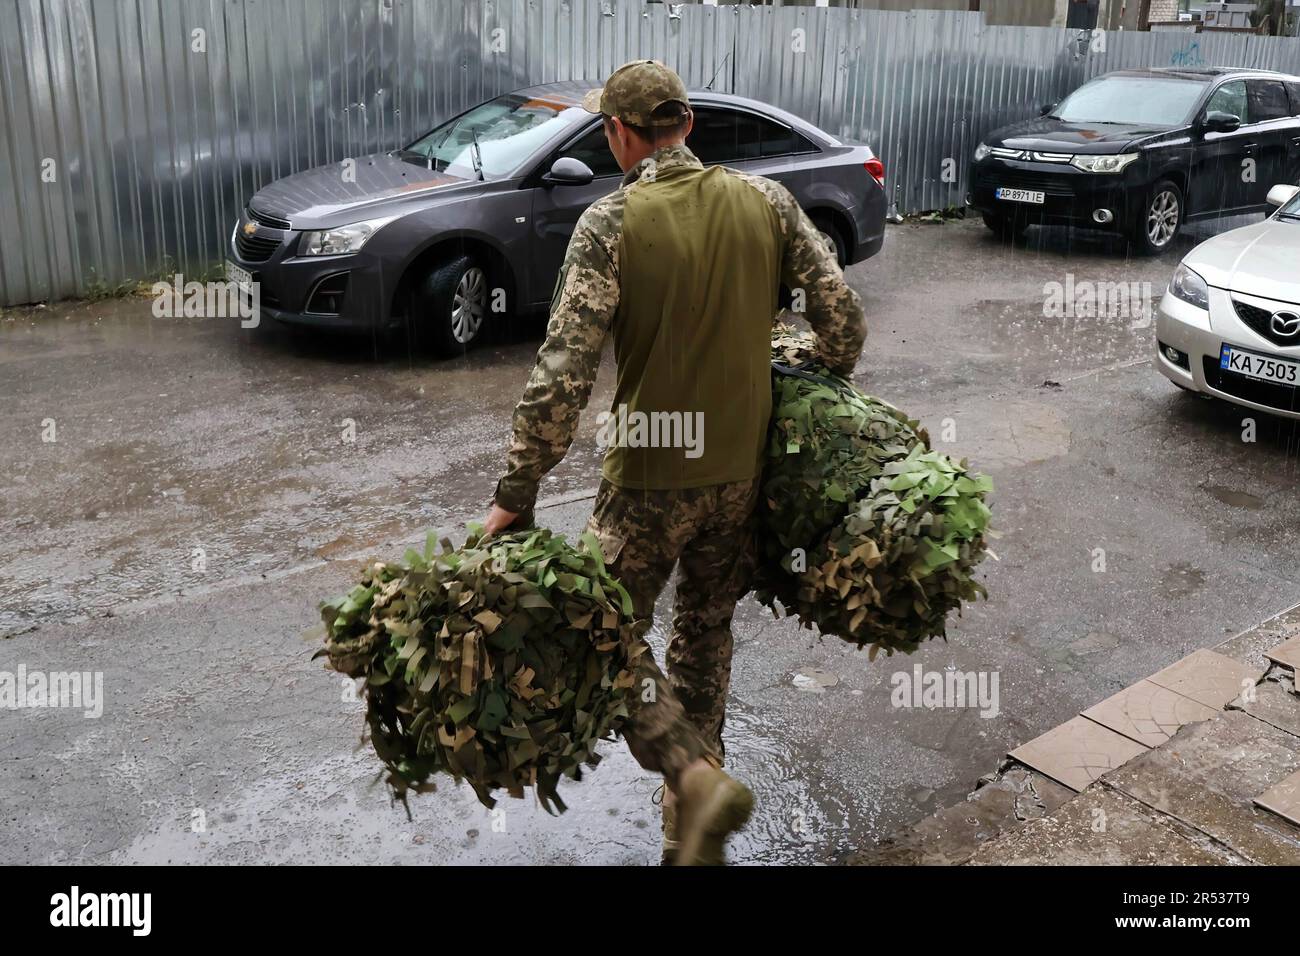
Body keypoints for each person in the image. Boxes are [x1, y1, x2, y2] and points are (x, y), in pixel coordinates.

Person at [483, 60, 866, 865]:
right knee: (703, 634)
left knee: (593, 629)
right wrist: (811, 379)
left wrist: (517, 491)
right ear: (686, 125)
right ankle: (688, 832)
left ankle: (689, 774)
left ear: (620, 134)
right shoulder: (766, 202)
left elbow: (563, 375)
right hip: (739, 473)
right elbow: (843, 322)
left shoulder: (612, 224)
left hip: (650, 476)